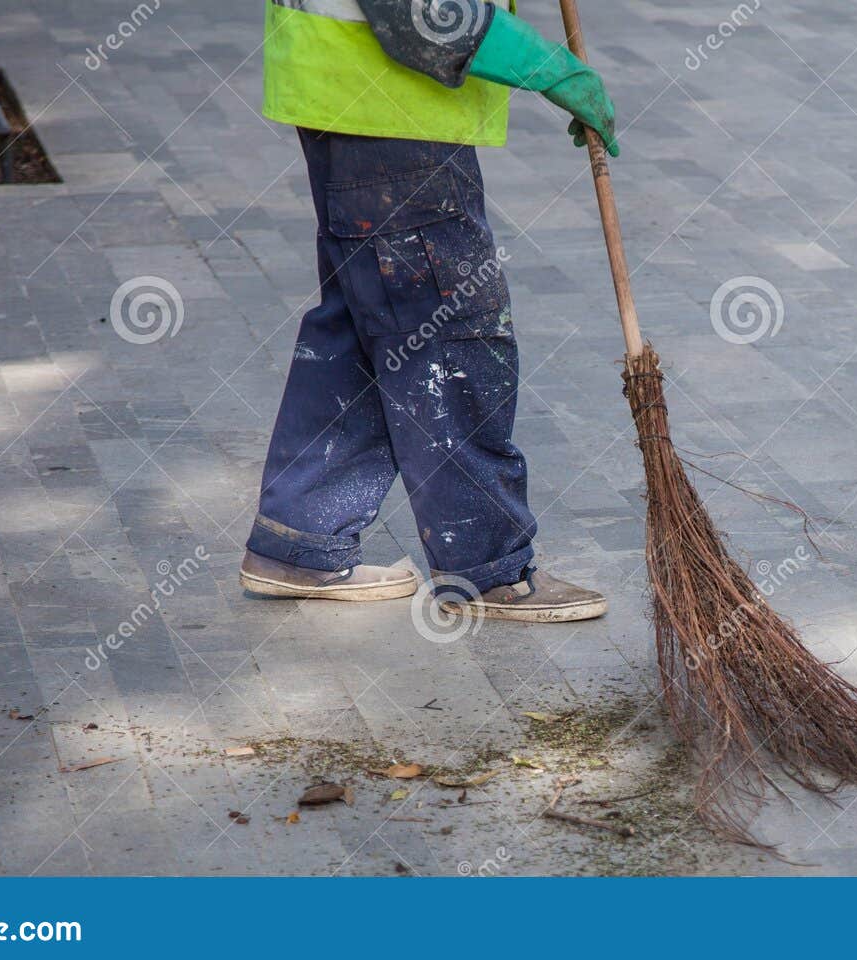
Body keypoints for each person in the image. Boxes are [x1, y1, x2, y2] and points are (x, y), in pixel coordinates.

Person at [240, 0, 616, 623]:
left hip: (347, 87)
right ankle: (487, 569)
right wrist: (543, 64)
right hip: (391, 99)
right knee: (450, 330)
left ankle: (301, 540)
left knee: (371, 316)